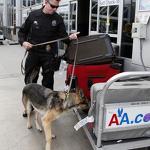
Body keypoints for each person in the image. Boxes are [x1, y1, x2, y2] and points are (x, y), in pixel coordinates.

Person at [18, 0, 78, 90]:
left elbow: (64, 37)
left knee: (48, 82)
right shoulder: (33, 15)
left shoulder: (58, 19)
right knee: (30, 81)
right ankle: (31, 101)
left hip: (49, 54)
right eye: (52, 6)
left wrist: (71, 38)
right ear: (45, 2)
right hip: (34, 52)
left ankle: (46, 103)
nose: (54, 9)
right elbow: (22, 32)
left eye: (57, 7)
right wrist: (23, 42)